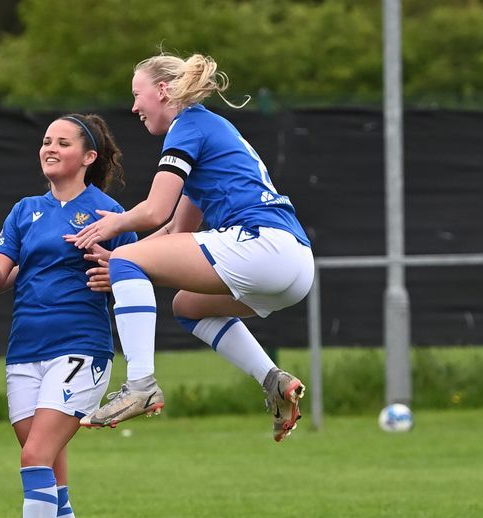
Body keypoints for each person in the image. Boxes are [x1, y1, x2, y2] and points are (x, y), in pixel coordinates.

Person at [69, 53, 313, 441]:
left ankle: (140, 385)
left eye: (138, 94)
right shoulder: (210, 129)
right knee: (187, 306)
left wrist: (114, 228)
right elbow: (177, 229)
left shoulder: (188, 126)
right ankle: (272, 380)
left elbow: (154, 210)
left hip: (262, 246)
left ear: (163, 91)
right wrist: (119, 262)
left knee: (132, 260)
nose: (134, 107)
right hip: (295, 265)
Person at [0, 114, 133, 518]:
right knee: (47, 473)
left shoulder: (109, 213)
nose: (50, 148)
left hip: (81, 348)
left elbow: (135, 275)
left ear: (89, 157)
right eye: (46, 141)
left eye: (63, 142)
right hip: (24, 354)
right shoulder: (26, 210)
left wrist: (120, 273)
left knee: (35, 454)